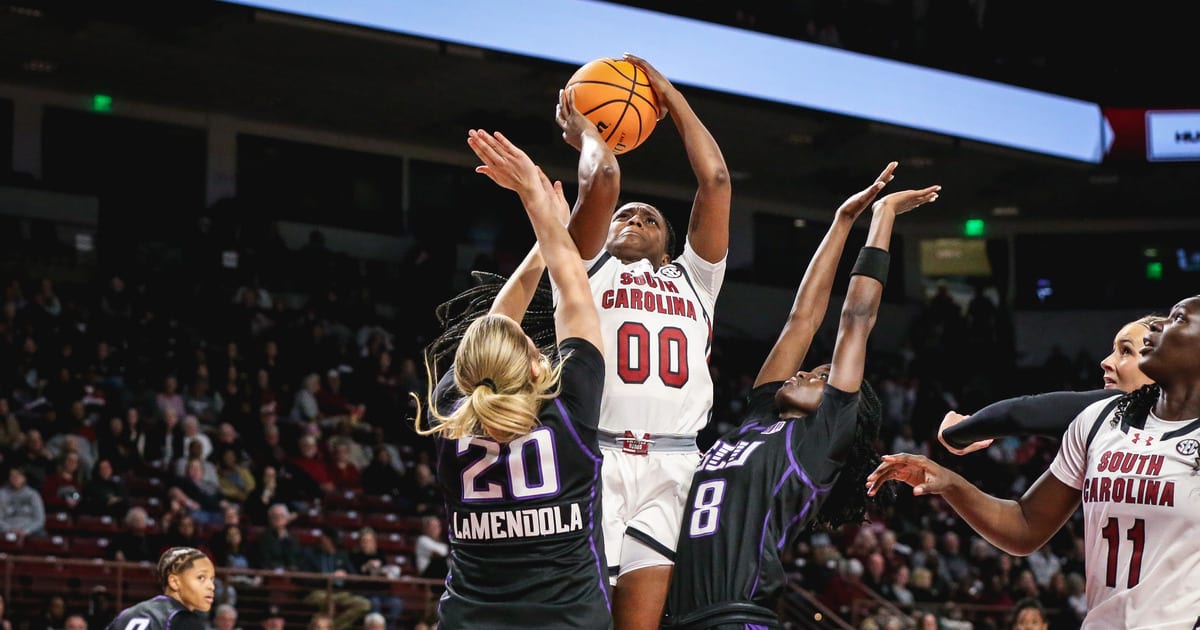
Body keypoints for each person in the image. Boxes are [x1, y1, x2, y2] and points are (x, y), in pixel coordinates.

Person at [662, 165, 941, 628]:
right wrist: (841, 220)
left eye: (821, 375)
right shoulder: (760, 418)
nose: (807, 372)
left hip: (737, 615)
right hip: (681, 615)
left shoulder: (818, 441)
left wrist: (884, 214)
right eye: (812, 369)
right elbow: (801, 321)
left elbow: (856, 317)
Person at [867, 295, 1200, 629]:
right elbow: (1025, 526)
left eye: (1178, 319)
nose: (1159, 327)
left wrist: (962, 431)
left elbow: (1025, 412)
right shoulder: (1098, 419)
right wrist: (950, 482)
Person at [553, 53, 733, 630]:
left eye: (649, 218)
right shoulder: (586, 268)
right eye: (624, 216)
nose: (633, 218)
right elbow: (603, 180)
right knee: (583, 619)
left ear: (667, 243)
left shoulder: (694, 280)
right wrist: (586, 129)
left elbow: (716, 180)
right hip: (596, 455)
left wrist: (665, 93)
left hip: (677, 462)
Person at [413, 129, 608, 628]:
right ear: (537, 365)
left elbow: (496, 332)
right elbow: (573, 284)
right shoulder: (567, 409)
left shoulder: (453, 410)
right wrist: (540, 208)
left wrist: (544, 229)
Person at [938, 315, 1163, 455]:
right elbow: (1025, 522)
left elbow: (1020, 413)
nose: (1105, 362)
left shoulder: (1108, 411)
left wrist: (956, 433)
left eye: (1125, 351)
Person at [105, 547, 215, 630]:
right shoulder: (183, 620)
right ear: (174, 582)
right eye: (201, 577)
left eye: (212, 579)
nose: (211, 586)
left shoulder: (125, 614)